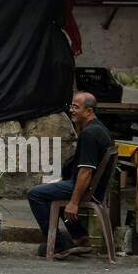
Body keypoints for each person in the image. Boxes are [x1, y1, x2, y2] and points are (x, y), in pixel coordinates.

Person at [28, 92, 113, 259]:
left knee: (35, 194)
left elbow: (86, 171)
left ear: (89, 111)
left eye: (76, 107)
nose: (72, 110)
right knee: (52, 190)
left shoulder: (90, 134)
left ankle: (59, 246)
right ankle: (80, 239)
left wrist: (74, 202)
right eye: (71, 106)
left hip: (88, 189)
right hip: (89, 186)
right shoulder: (96, 128)